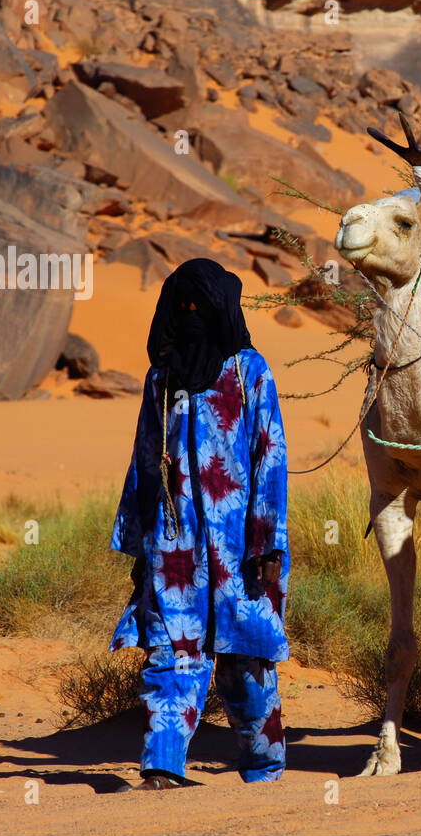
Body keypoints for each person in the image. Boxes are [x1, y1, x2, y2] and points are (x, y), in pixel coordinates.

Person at [108, 258, 290, 791]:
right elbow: (144, 457)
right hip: (173, 547)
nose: (189, 317)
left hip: (242, 552)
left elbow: (270, 457)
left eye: (199, 308)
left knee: (246, 663)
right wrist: (141, 544)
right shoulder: (161, 377)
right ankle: (162, 768)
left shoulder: (250, 372)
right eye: (180, 307)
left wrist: (268, 542)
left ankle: (264, 771)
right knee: (172, 654)